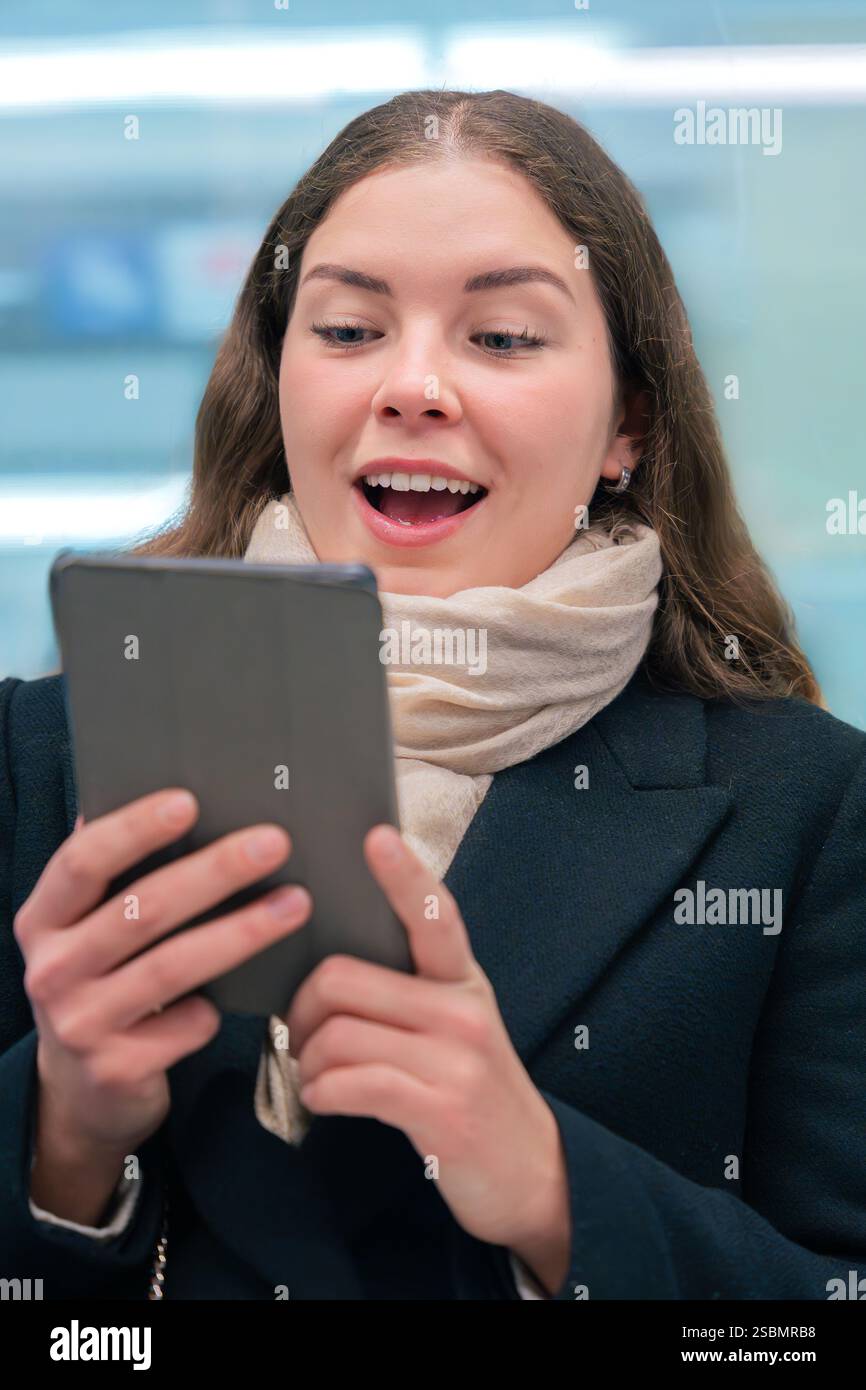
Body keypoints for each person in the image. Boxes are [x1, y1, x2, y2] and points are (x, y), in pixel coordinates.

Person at [1, 88, 864, 1302]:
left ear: (628, 422)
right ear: (278, 380)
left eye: (501, 338)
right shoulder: (39, 762)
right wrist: (65, 1138)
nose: (411, 387)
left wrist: (554, 1188)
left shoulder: (809, 808)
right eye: (349, 330)